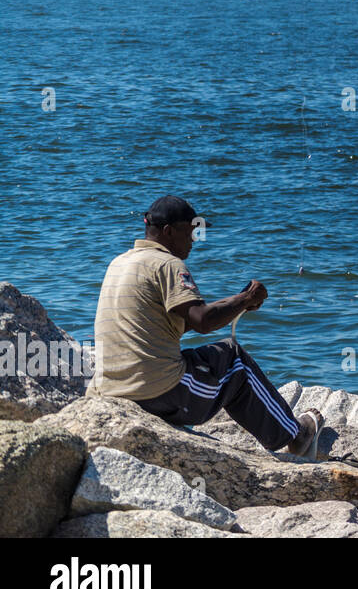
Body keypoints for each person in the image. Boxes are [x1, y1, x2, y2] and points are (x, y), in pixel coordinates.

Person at [86, 195, 321, 456]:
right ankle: (295, 435)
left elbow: (166, 324)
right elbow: (202, 321)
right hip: (154, 392)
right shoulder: (167, 264)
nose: (194, 240)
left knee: (209, 357)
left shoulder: (119, 263)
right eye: (190, 232)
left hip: (107, 390)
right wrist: (245, 298)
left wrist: (237, 303)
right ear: (169, 231)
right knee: (234, 359)